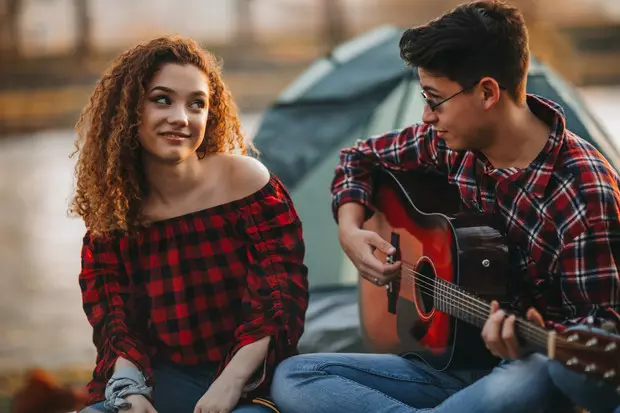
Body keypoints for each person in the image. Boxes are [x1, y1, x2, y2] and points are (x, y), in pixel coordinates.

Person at [270, 1, 620, 412]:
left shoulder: (583, 191)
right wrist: (349, 229)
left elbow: (599, 334)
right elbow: (358, 158)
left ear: (488, 92)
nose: (425, 116)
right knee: (294, 375)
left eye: (435, 100)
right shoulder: (448, 142)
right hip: (447, 365)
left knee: (544, 373)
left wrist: (528, 338)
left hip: (522, 368)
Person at [69, 35, 309, 413]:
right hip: (163, 377)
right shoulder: (112, 211)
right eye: (161, 99)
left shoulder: (247, 185)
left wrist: (229, 384)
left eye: (196, 104)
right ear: (129, 109)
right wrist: (131, 392)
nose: (181, 118)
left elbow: (280, 300)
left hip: (251, 376)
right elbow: (113, 320)